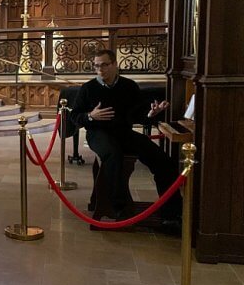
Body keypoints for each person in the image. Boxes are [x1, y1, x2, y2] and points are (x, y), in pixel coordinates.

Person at [70, 49, 181, 229]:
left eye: (104, 65)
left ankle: (172, 213)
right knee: (113, 154)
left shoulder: (129, 86)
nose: (100, 70)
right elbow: (75, 116)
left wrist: (151, 113)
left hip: (123, 132)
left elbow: (137, 115)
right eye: (96, 66)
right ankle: (119, 207)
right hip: (98, 133)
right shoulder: (88, 88)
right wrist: (91, 116)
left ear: (115, 65)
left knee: (162, 160)